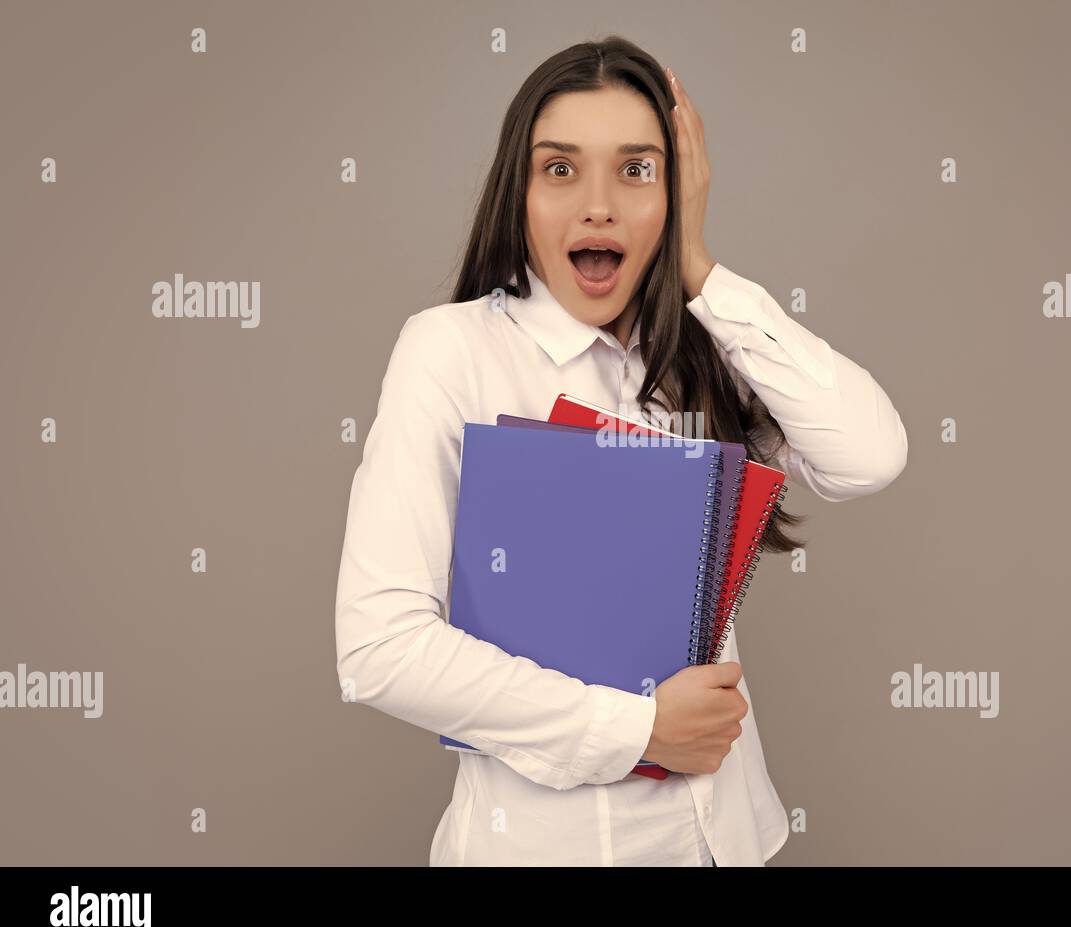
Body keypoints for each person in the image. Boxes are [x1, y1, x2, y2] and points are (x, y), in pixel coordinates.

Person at [334, 36, 908, 866]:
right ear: (518, 193)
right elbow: (379, 647)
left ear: (677, 193)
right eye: (560, 169)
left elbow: (870, 453)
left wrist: (702, 273)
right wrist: (636, 729)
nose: (598, 207)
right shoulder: (450, 351)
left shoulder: (700, 350)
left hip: (726, 844)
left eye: (637, 170)